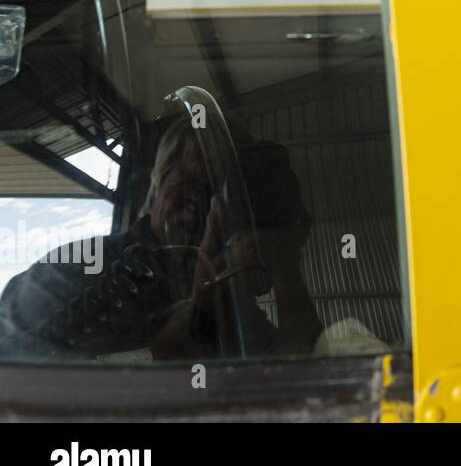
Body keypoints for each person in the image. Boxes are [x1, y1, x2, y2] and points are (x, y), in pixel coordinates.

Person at [0, 117, 321, 360]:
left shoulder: (234, 287)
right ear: (153, 189)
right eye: (188, 183)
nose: (203, 205)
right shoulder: (77, 267)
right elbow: (14, 372)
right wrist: (165, 349)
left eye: (219, 191)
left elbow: (300, 363)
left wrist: (282, 263)